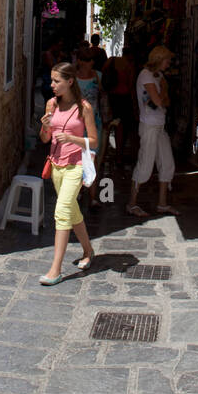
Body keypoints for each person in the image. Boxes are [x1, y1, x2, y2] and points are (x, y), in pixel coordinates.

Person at [38, 62, 97, 284]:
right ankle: (88, 250)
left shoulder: (84, 108)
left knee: (62, 211)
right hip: (56, 166)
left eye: (56, 81)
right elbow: (45, 139)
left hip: (75, 166)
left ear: (70, 82)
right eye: (51, 80)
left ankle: (55, 270)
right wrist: (44, 126)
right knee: (72, 212)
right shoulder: (51, 105)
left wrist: (72, 138)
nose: (52, 85)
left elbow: (94, 140)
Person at [128, 45, 176, 217]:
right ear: (159, 59)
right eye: (167, 59)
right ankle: (132, 204)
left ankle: (162, 204)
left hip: (159, 125)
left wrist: (162, 93)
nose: (169, 63)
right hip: (149, 126)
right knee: (145, 164)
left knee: (167, 163)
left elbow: (165, 101)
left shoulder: (158, 76)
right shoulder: (146, 75)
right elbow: (158, 101)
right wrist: (163, 90)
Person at [73, 44, 105, 206]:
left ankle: (92, 196)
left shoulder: (98, 76)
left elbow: (103, 98)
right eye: (85, 59)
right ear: (79, 61)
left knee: (91, 160)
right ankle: (80, 192)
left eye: (90, 59)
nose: (88, 63)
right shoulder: (73, 78)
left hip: (95, 124)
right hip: (77, 125)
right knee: (78, 161)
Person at [101, 41, 137, 165]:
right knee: (123, 127)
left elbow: (103, 74)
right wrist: (134, 104)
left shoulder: (112, 60)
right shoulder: (129, 66)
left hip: (111, 97)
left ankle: (105, 153)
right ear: (131, 55)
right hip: (124, 98)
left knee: (110, 126)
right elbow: (131, 85)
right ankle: (119, 155)